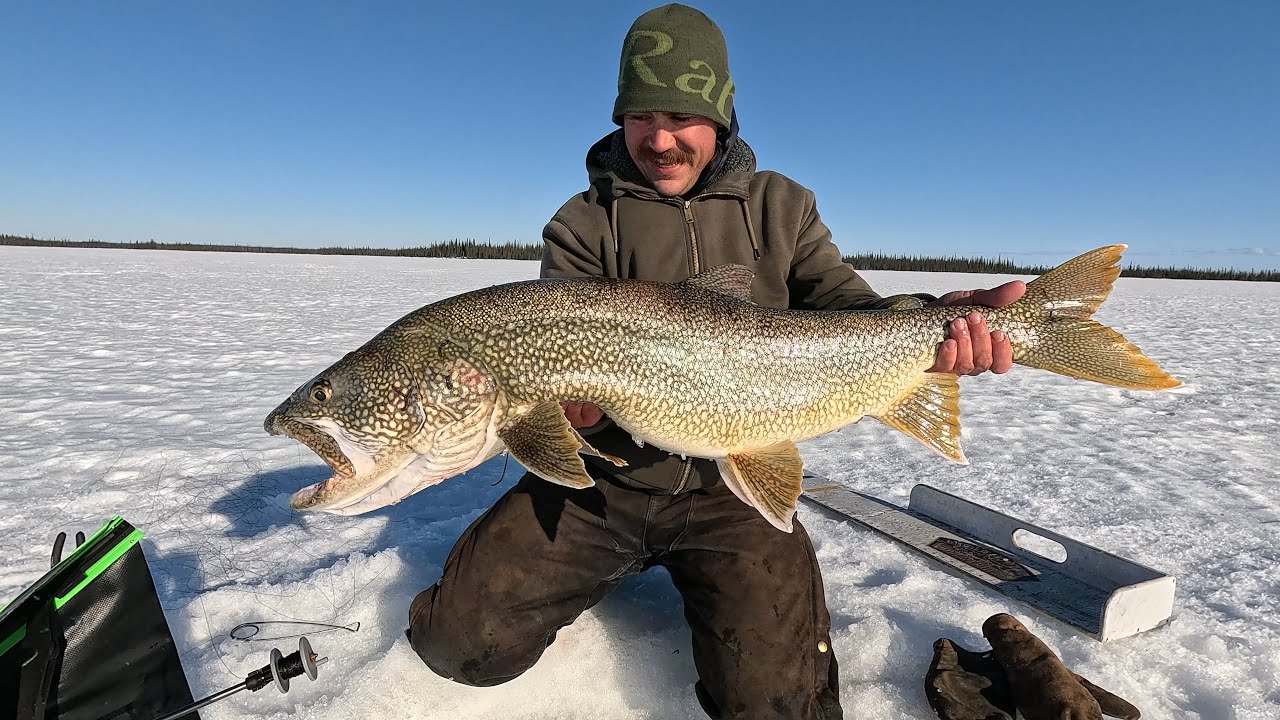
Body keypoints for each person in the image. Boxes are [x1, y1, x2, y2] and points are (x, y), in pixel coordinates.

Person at [408, 4, 1025, 718]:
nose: (659, 139)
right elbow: (558, 386)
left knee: (777, 707)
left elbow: (846, 307)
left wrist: (931, 319)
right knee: (458, 645)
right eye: (640, 117)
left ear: (721, 117)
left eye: (681, 117)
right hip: (603, 485)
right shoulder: (582, 223)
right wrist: (573, 413)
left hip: (729, 493)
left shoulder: (782, 207)